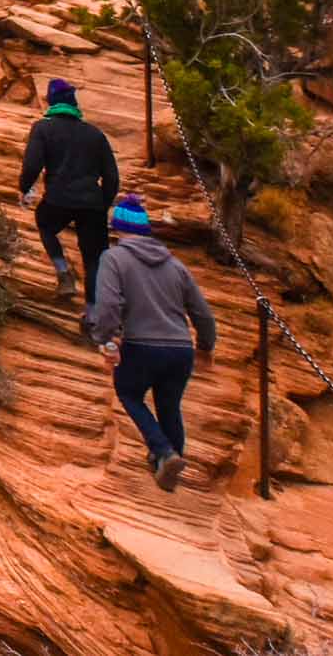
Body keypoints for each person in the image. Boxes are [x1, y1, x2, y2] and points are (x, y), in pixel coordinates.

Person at [84, 194, 217, 492]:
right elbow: (202, 312)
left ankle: (164, 451)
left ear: (118, 228)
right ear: (146, 230)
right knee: (169, 405)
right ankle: (168, 466)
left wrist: (105, 341)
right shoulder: (176, 265)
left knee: (129, 393)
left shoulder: (114, 258)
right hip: (180, 350)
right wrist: (206, 345)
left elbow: (107, 306)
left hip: (142, 346)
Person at [17, 77, 119, 303]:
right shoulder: (95, 134)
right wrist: (103, 203)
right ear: (74, 104)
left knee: (45, 223)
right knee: (94, 260)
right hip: (92, 203)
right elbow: (112, 176)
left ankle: (63, 273)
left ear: (51, 102)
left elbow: (32, 165)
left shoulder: (43, 129)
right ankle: (93, 316)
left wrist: (24, 188)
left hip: (58, 199)